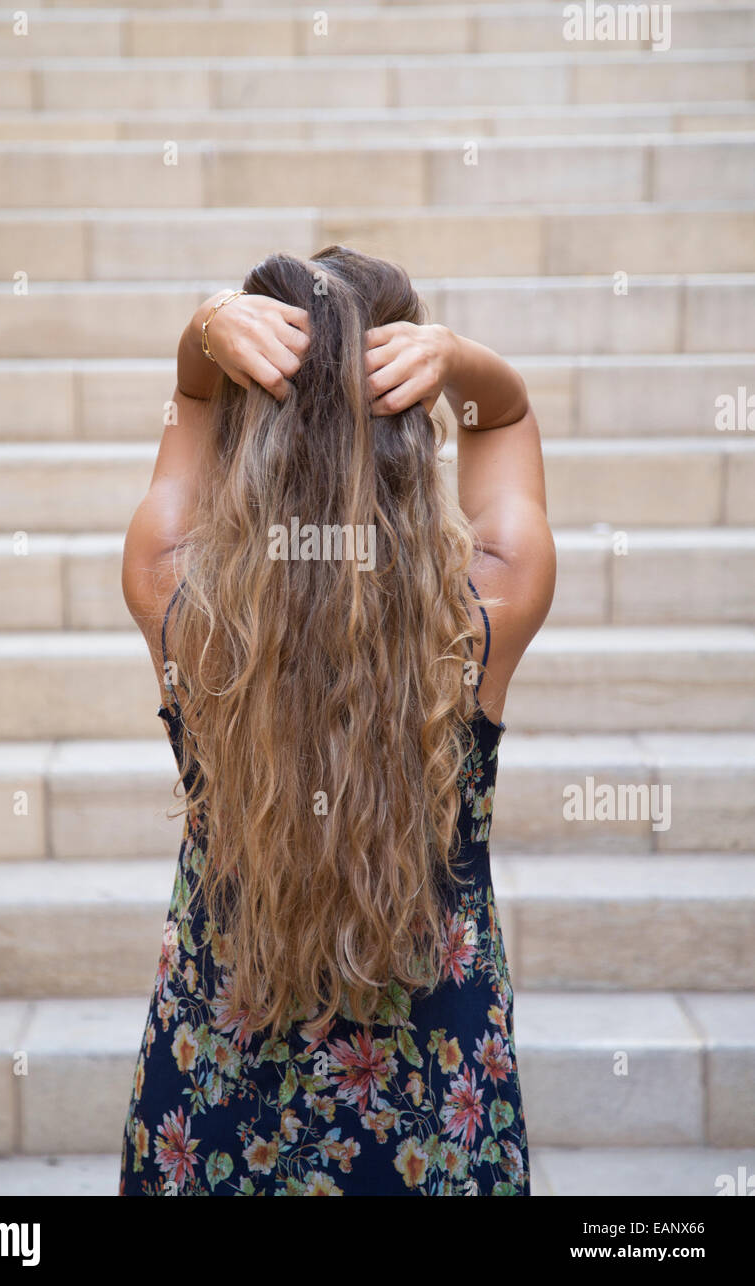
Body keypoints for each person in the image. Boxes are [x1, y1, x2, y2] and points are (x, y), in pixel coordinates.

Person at [119, 245, 556, 1196]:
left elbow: (190, 405)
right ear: (416, 443)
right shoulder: (479, 620)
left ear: (243, 438)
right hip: (435, 1125)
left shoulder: (182, 606)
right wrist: (462, 361)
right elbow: (508, 416)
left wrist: (204, 337)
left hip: (213, 1112)